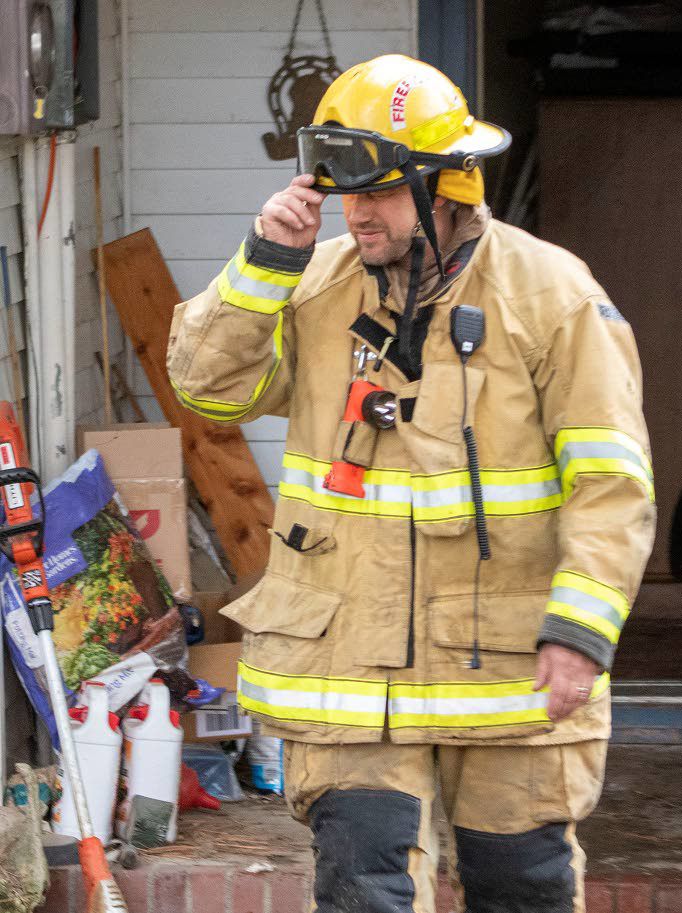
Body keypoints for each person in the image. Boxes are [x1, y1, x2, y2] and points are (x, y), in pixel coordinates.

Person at [166, 54, 655, 912]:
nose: (358, 212)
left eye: (382, 191)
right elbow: (209, 387)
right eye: (346, 192)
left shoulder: (552, 295)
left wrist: (581, 629)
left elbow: (611, 482)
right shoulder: (315, 285)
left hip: (503, 672)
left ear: (449, 185)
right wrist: (263, 265)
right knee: (364, 890)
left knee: (522, 890)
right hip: (352, 673)